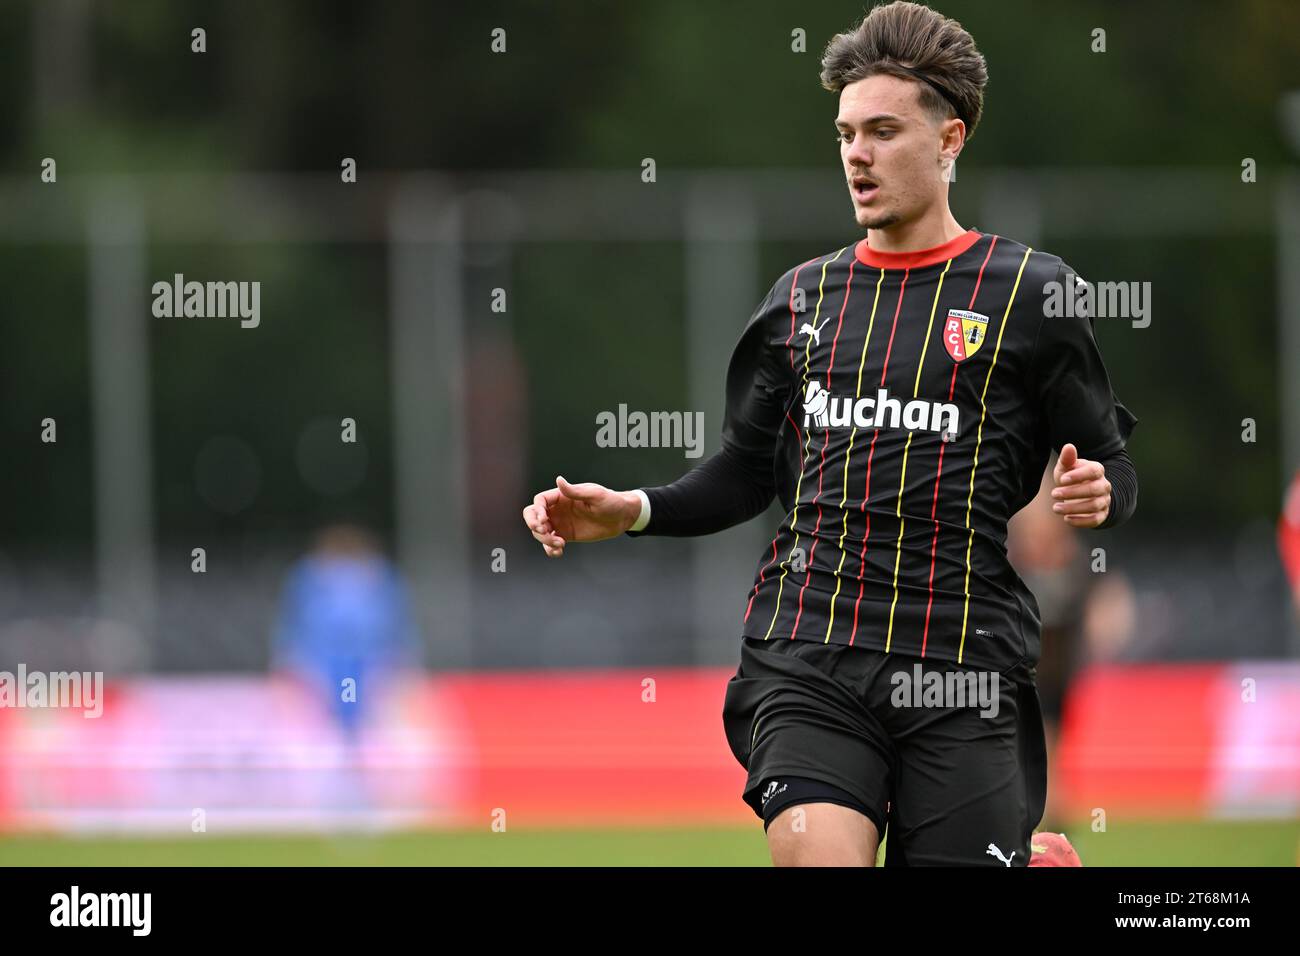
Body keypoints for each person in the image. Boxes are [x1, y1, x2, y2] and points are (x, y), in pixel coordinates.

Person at [522, 1, 1137, 866]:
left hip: (963, 666)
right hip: (810, 655)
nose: (858, 153)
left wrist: (1100, 492)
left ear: (950, 139)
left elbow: (1109, 459)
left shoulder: (1032, 294)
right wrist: (630, 509)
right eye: (847, 132)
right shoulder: (802, 299)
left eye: (883, 130)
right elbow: (745, 470)